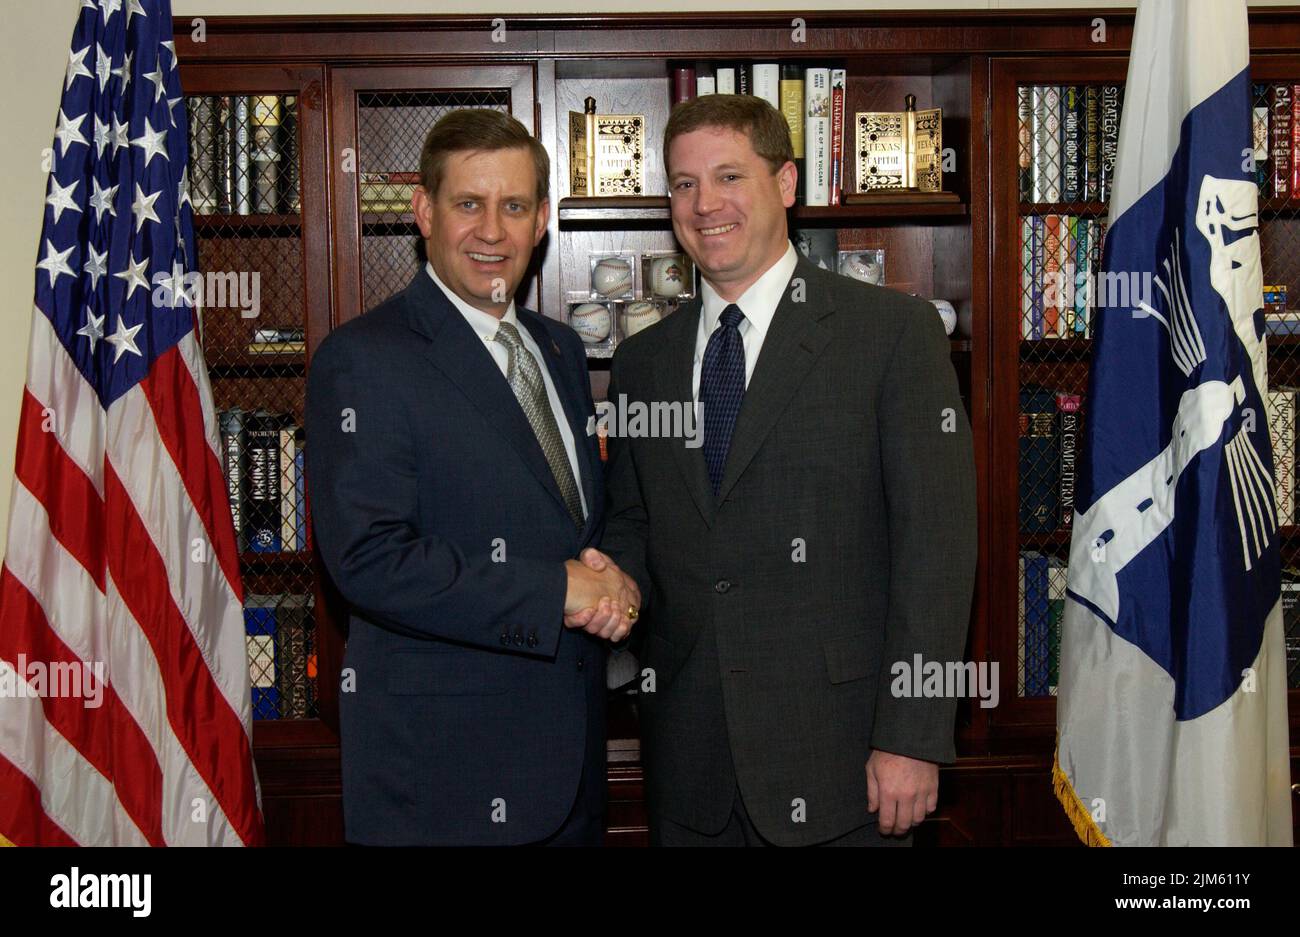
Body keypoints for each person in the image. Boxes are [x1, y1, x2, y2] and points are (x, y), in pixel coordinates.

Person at [583, 94, 977, 846]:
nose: (705, 205)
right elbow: (635, 521)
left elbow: (940, 548)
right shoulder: (643, 361)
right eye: (684, 184)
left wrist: (914, 734)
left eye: (729, 176)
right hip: (689, 768)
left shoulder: (891, 334)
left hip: (848, 764)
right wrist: (612, 582)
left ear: (788, 183)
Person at [306, 108, 639, 846]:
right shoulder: (365, 359)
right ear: (423, 212)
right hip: (444, 790)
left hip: (573, 775)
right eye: (468, 204)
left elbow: (584, 522)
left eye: (514, 206)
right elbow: (369, 560)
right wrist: (558, 590)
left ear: (542, 220)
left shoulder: (558, 351)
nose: (492, 230)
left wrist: (613, 583)